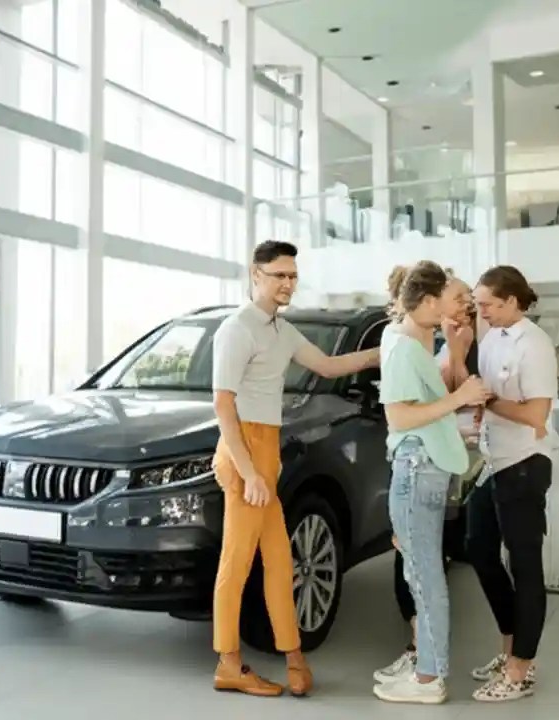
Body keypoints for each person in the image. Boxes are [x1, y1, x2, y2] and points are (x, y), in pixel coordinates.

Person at [211, 240, 380, 698]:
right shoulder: (237, 328)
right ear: (255, 274)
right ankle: (229, 663)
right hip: (244, 450)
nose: (288, 283)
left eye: (292, 276)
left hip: (267, 450)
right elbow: (223, 405)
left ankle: (293, 657)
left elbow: (326, 366)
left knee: (280, 562)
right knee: (237, 562)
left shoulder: (280, 330)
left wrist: (381, 354)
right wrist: (249, 474)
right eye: (279, 275)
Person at [373, 262, 491, 705]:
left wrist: (456, 381)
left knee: (422, 574)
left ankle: (428, 678)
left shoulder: (408, 343)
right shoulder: (404, 347)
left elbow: (407, 413)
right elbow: (399, 416)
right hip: (421, 463)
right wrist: (459, 399)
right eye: (448, 298)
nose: (456, 307)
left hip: (418, 466)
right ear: (426, 302)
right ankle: (428, 672)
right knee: (424, 573)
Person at [466, 265, 557, 703]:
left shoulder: (534, 345)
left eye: (486, 303)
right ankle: (509, 647)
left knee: (525, 566)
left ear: (512, 302)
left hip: (524, 462)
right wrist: (490, 409)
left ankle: (521, 668)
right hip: (493, 460)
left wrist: (491, 401)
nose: (479, 309)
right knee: (478, 547)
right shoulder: (490, 337)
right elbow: (493, 400)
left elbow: (536, 415)